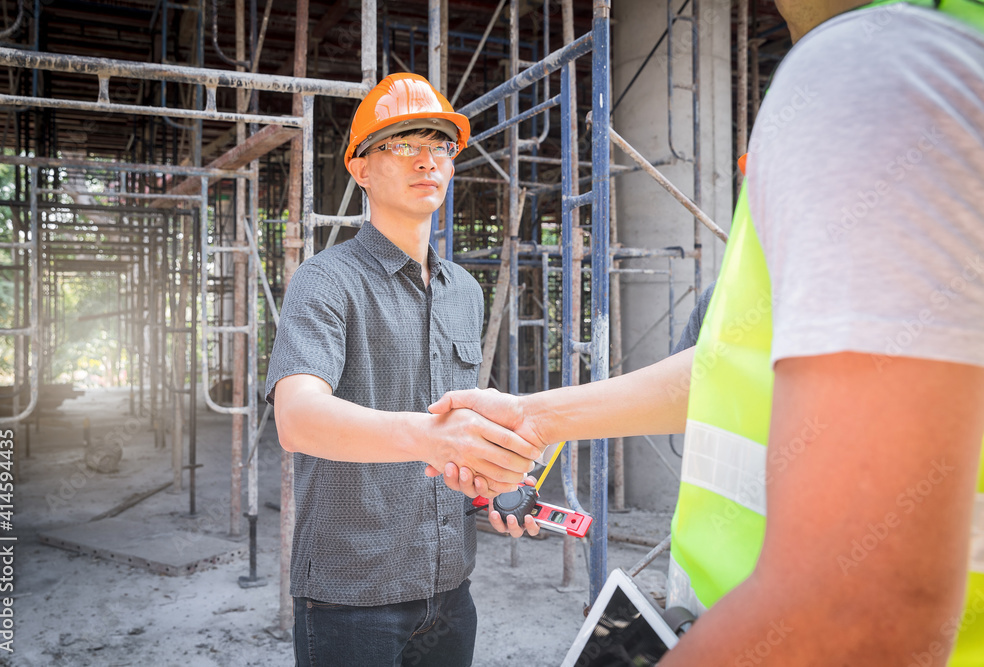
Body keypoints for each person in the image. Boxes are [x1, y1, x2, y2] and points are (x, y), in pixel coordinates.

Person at [429, 0, 984, 664]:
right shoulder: (930, 58)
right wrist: (536, 416)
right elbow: (740, 369)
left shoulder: (876, 67)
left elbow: (855, 616)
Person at [265, 73, 545, 667]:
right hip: (351, 596)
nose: (428, 161)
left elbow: (462, 420)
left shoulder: (464, 291)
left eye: (440, 147)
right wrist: (429, 434)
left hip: (450, 589)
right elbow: (297, 418)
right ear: (361, 169)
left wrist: (499, 480)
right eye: (402, 144)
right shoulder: (326, 281)